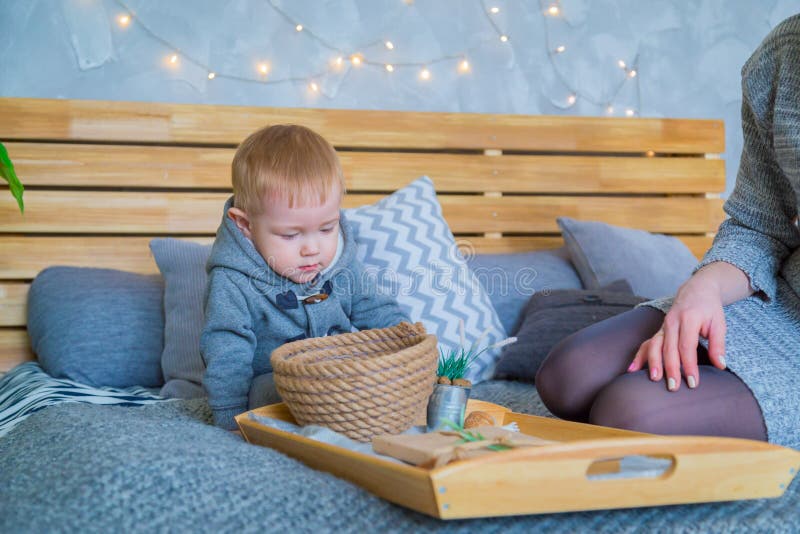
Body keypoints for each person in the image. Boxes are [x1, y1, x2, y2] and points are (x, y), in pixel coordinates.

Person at [536, 14, 800, 450]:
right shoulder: (784, 54)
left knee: (628, 413)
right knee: (567, 374)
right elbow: (760, 225)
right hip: (784, 299)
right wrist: (702, 291)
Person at [200, 124, 409, 430]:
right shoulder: (232, 281)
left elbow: (376, 309)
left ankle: (360, 415)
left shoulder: (341, 264)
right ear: (245, 225)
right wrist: (229, 418)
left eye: (326, 229)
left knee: (370, 374)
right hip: (276, 386)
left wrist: (409, 344)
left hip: (343, 376)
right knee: (270, 391)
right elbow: (226, 350)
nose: (313, 249)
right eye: (290, 235)